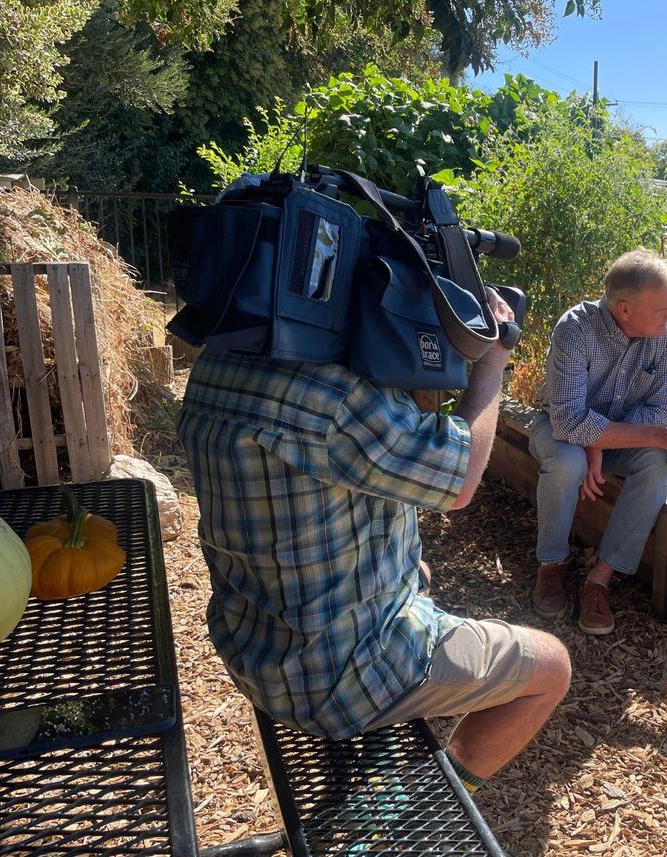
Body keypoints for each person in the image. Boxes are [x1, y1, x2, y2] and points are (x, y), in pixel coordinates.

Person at [178, 287, 571, 795]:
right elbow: (462, 481)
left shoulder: (218, 361)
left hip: (252, 644)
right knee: (553, 667)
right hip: (332, 680)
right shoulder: (331, 392)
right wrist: (493, 359)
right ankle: (436, 800)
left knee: (421, 575)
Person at [530, 248, 667, 635]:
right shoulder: (575, 329)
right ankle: (552, 566)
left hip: (614, 433)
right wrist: (595, 442)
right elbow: (568, 422)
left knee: (658, 461)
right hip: (556, 428)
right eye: (662, 308)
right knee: (567, 462)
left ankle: (600, 579)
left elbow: (663, 407)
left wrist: (601, 443)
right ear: (624, 310)